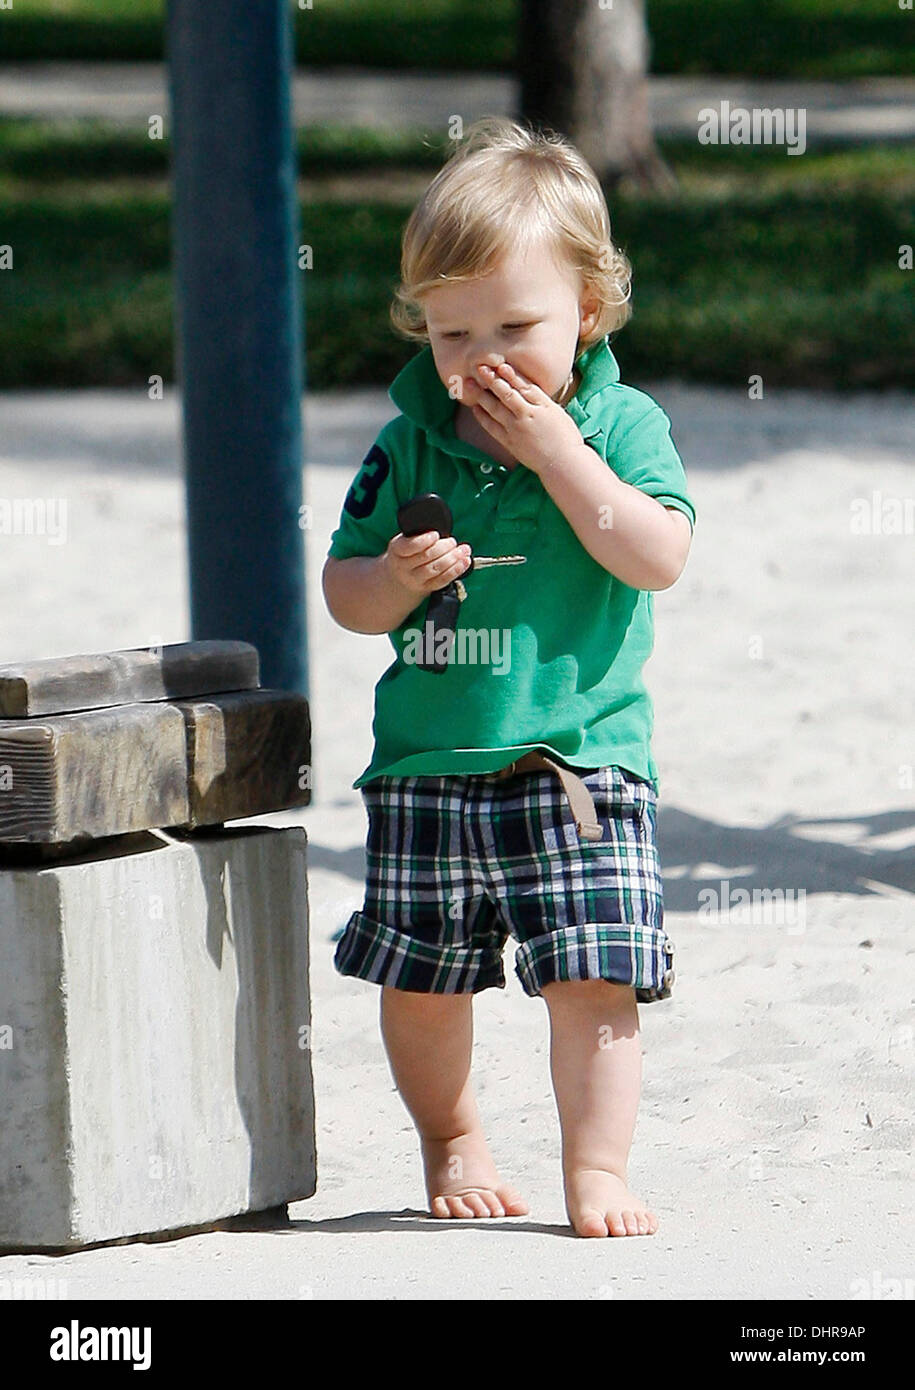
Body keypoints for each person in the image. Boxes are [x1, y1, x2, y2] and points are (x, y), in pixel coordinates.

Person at [322, 115, 695, 1238]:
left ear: (588, 311)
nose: (482, 358)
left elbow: (658, 554)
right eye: (451, 333)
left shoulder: (621, 423)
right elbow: (343, 596)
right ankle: (452, 1135)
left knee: (596, 977)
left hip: (581, 755)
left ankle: (597, 1167)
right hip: (432, 757)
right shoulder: (412, 442)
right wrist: (392, 578)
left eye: (518, 326)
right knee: (426, 980)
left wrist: (557, 451)